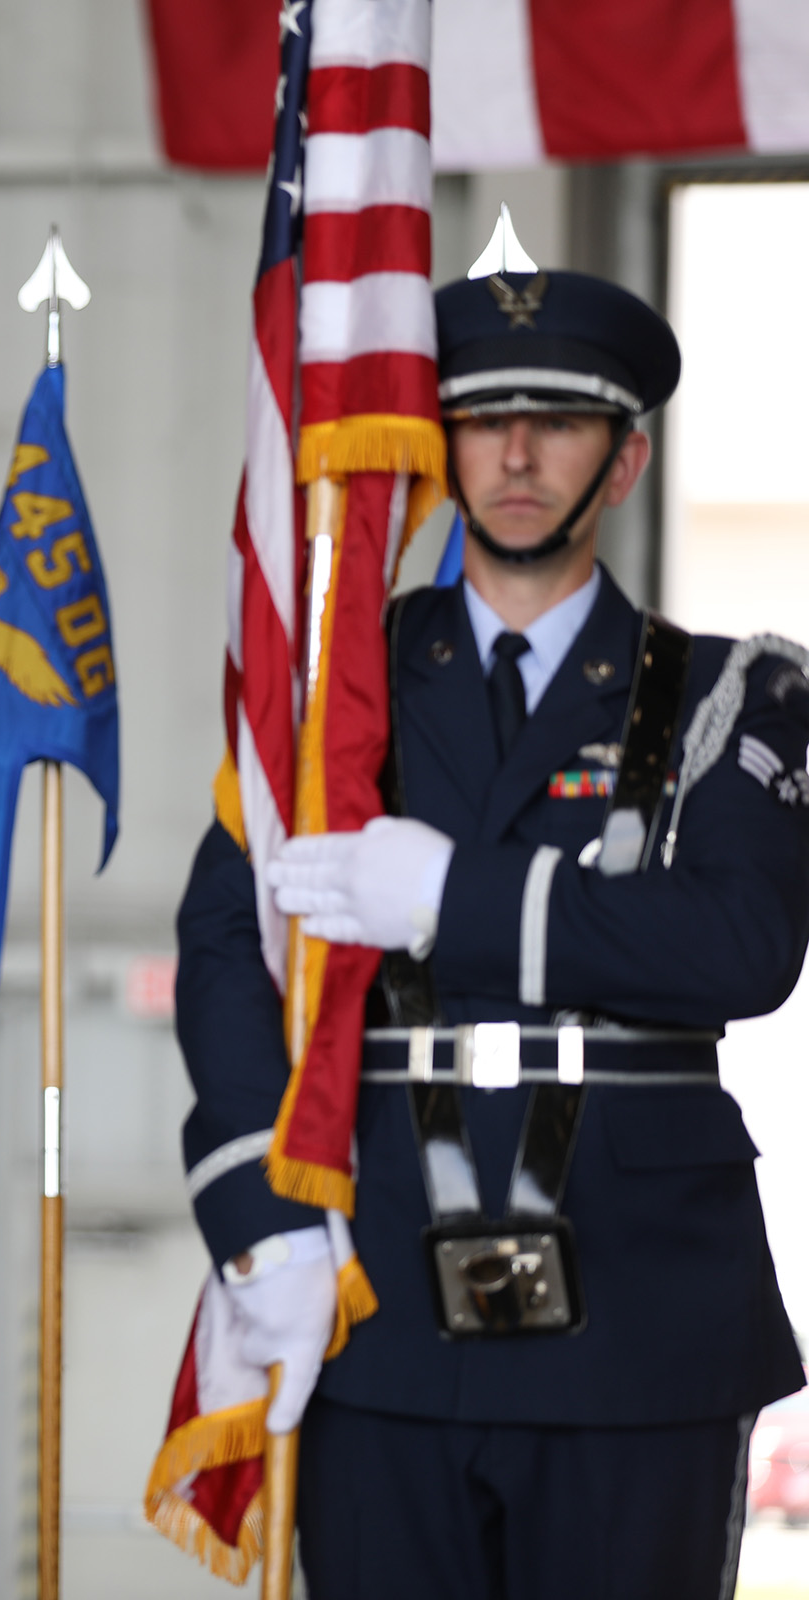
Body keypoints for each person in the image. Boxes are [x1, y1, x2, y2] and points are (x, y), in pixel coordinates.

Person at [176, 268, 809, 1597]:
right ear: (434, 446)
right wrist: (256, 1212)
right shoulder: (329, 692)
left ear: (626, 458)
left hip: (640, 1312)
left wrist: (459, 906)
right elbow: (232, 951)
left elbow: (743, 944)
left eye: (560, 421)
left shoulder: (731, 692)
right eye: (480, 419)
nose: (516, 456)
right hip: (379, 1280)